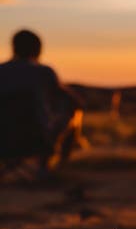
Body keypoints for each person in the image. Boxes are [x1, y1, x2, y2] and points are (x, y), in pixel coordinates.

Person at [0, 28, 83, 175]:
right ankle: (51, 167)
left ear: (13, 47)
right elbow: (74, 100)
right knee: (73, 110)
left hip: (4, 142)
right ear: (38, 49)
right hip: (37, 140)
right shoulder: (44, 72)